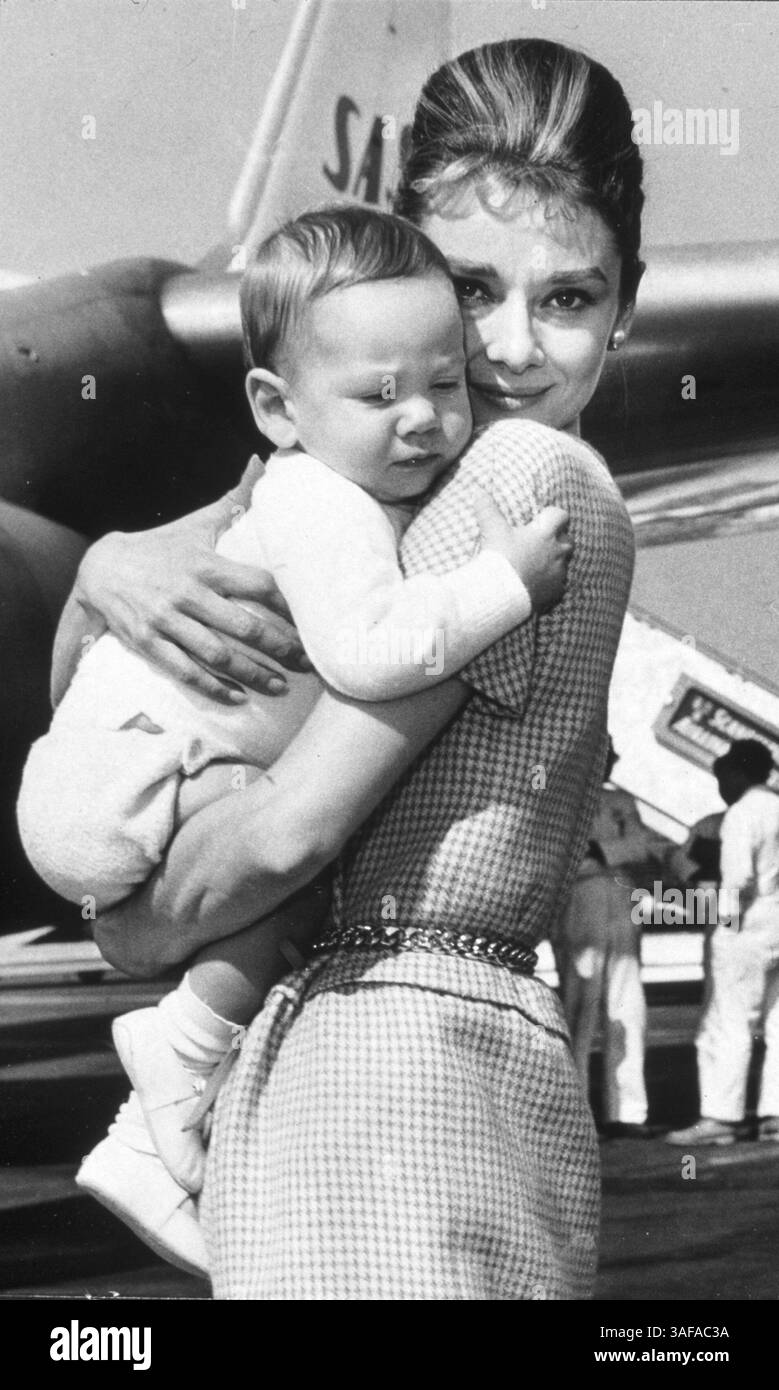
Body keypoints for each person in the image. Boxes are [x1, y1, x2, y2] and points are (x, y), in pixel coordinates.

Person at [56, 38, 642, 1298]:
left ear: (623, 311)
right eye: (470, 289)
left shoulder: (510, 488)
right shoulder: (360, 488)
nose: (508, 352)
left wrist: (128, 912)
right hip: (363, 1063)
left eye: (569, 299)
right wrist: (107, 563)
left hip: (392, 1074)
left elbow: (275, 843)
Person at [18, 204, 571, 1238]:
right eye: (379, 394)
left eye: (443, 386)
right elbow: (370, 651)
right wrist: (506, 584)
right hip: (131, 787)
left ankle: (153, 1128)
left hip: (110, 776)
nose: (421, 419)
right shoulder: (323, 499)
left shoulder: (308, 481)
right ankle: (177, 1056)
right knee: (309, 852)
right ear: (275, 407)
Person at [667, 739, 779, 1147]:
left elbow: (737, 879)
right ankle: (774, 1115)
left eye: (723, 777)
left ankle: (721, 1117)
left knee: (728, 1021)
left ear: (737, 772)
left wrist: (722, 928)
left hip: (746, 924)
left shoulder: (742, 814)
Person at [557, 738, 661, 1138]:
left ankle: (629, 1113)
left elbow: (640, 845)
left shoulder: (622, 803)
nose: (607, 764)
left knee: (628, 1008)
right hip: (577, 903)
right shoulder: (560, 796)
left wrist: (600, 851)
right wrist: (605, 853)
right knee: (578, 1009)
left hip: (620, 899)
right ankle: (578, 1118)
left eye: (611, 757)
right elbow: (564, 855)